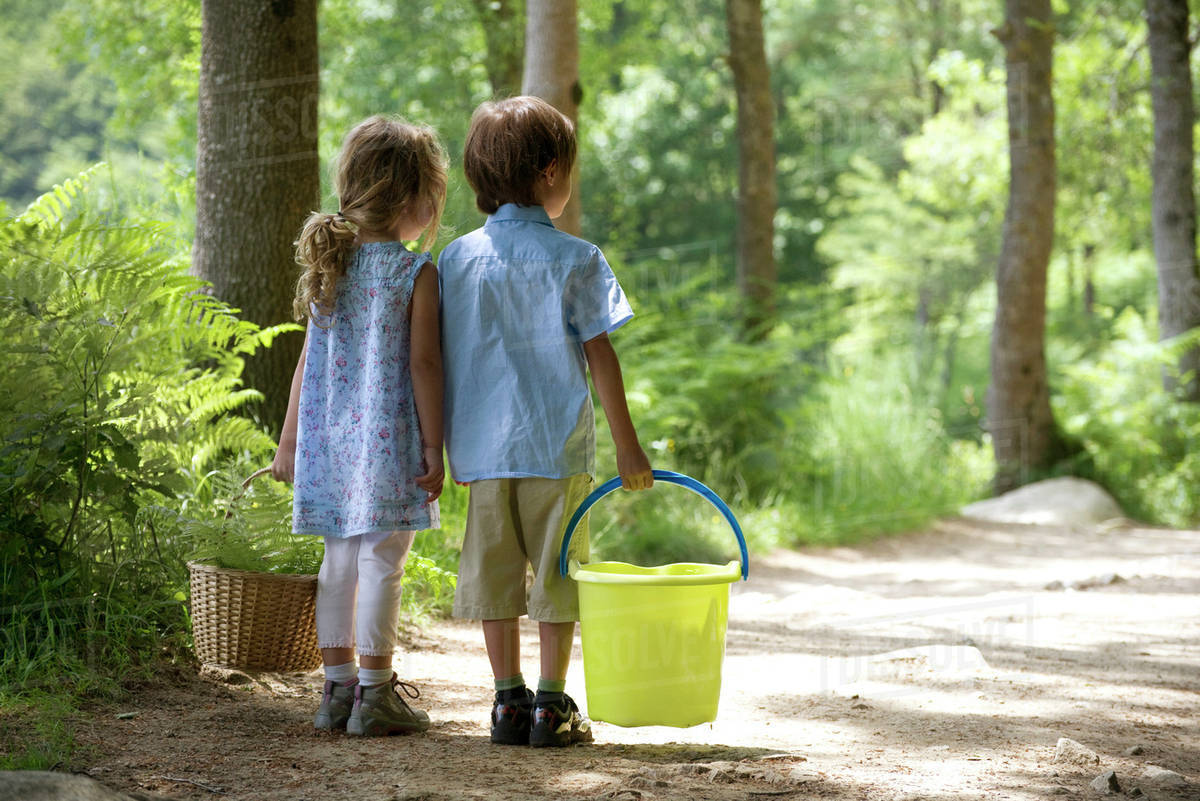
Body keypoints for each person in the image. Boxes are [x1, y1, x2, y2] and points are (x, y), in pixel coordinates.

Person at [439, 96, 654, 747]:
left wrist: (434, 443)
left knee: (493, 576)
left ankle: (507, 700)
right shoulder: (578, 258)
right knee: (559, 574)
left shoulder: (453, 260)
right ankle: (553, 704)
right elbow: (601, 356)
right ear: (553, 170)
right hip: (556, 449)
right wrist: (628, 448)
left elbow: (432, 359)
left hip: (480, 451)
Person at [271, 115, 448, 737]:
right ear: (416, 201)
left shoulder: (331, 267)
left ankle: (336, 692)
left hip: (328, 442)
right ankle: (375, 694)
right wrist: (434, 444)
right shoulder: (414, 273)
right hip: (387, 443)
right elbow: (425, 363)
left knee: (337, 561)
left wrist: (289, 440)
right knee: (383, 560)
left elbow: (305, 364)